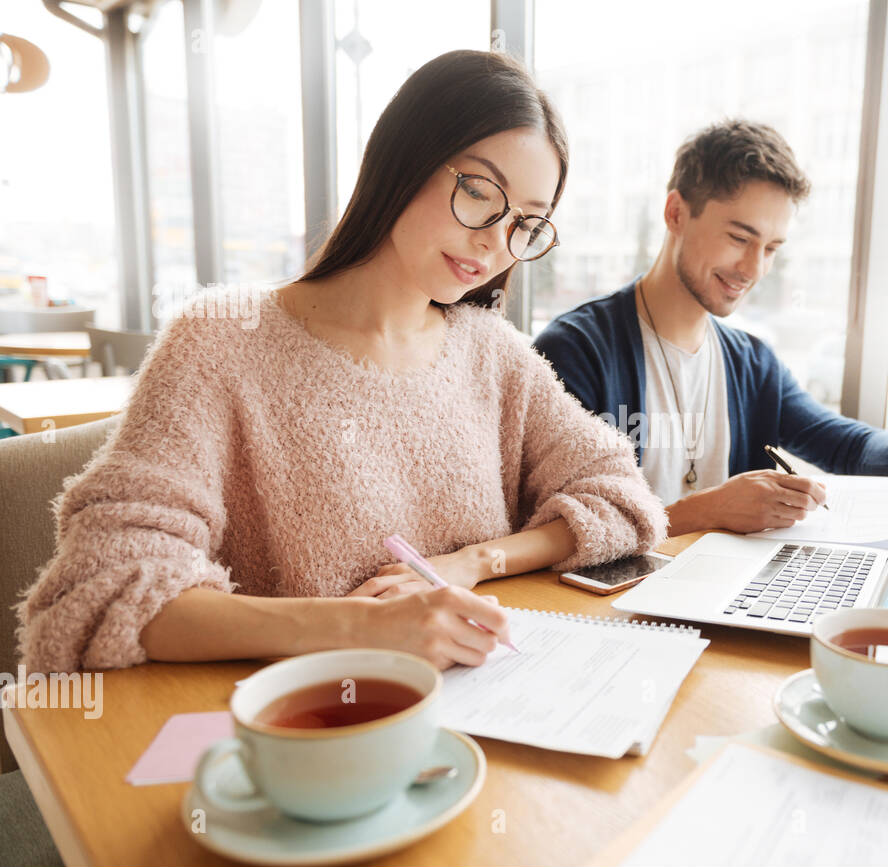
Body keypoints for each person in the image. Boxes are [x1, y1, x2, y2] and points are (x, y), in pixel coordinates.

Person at [17, 50, 665, 675]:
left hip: (477, 710)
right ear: (403, 160)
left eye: (527, 223)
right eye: (479, 191)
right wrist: (357, 628)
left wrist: (473, 561)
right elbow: (105, 586)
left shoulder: (492, 352)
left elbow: (621, 500)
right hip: (298, 731)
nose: (495, 242)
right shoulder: (219, 341)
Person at [533, 120, 888, 535]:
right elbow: (555, 531)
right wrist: (708, 511)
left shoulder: (751, 363)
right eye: (740, 237)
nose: (754, 269)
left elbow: (843, 443)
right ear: (676, 212)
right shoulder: (575, 352)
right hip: (609, 615)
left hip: (720, 604)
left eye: (772, 248)